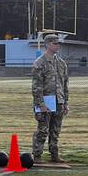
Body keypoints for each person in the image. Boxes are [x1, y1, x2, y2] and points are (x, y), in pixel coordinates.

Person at [31, 33, 68, 163]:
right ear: (47, 45)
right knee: (43, 130)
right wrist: (40, 104)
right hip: (45, 102)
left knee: (55, 130)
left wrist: (65, 103)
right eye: (54, 43)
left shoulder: (62, 63)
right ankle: (37, 155)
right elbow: (36, 86)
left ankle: (54, 154)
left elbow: (65, 84)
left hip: (58, 101)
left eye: (58, 43)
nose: (57, 46)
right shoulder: (39, 63)